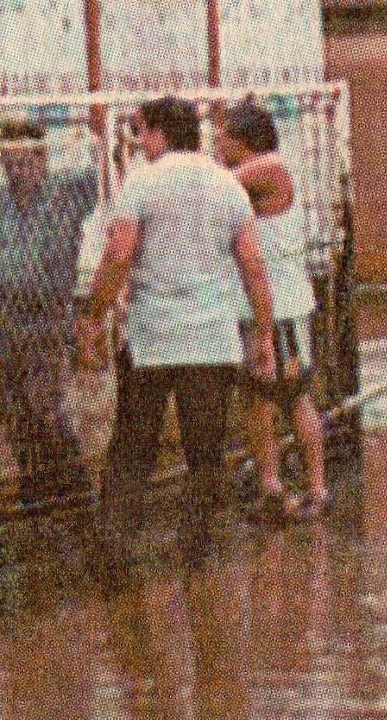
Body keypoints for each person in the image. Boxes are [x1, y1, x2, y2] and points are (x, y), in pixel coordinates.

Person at [77, 96, 276, 572]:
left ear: (161, 133)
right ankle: (196, 553)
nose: (141, 143)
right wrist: (263, 332)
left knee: (132, 449)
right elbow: (252, 263)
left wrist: (93, 314)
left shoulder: (142, 184)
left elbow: (120, 254)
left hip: (151, 340)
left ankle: (115, 555)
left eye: (143, 132)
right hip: (213, 340)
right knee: (205, 452)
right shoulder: (227, 187)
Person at [217, 100, 330, 523]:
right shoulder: (258, 171)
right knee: (260, 399)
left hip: (280, 307)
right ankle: (272, 488)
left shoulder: (269, 168)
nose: (217, 142)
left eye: (223, 135)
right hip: (258, 305)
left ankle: (316, 488)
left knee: (291, 395)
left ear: (243, 140)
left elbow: (216, 186)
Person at [0, 117, 96, 511]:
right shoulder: (3, 203)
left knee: (46, 403)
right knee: (14, 406)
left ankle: (72, 488)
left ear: (43, 159)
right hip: (7, 314)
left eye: (25, 160)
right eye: (9, 162)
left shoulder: (67, 193)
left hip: (49, 313)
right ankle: (34, 486)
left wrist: (71, 131)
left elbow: (94, 163)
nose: (17, 170)